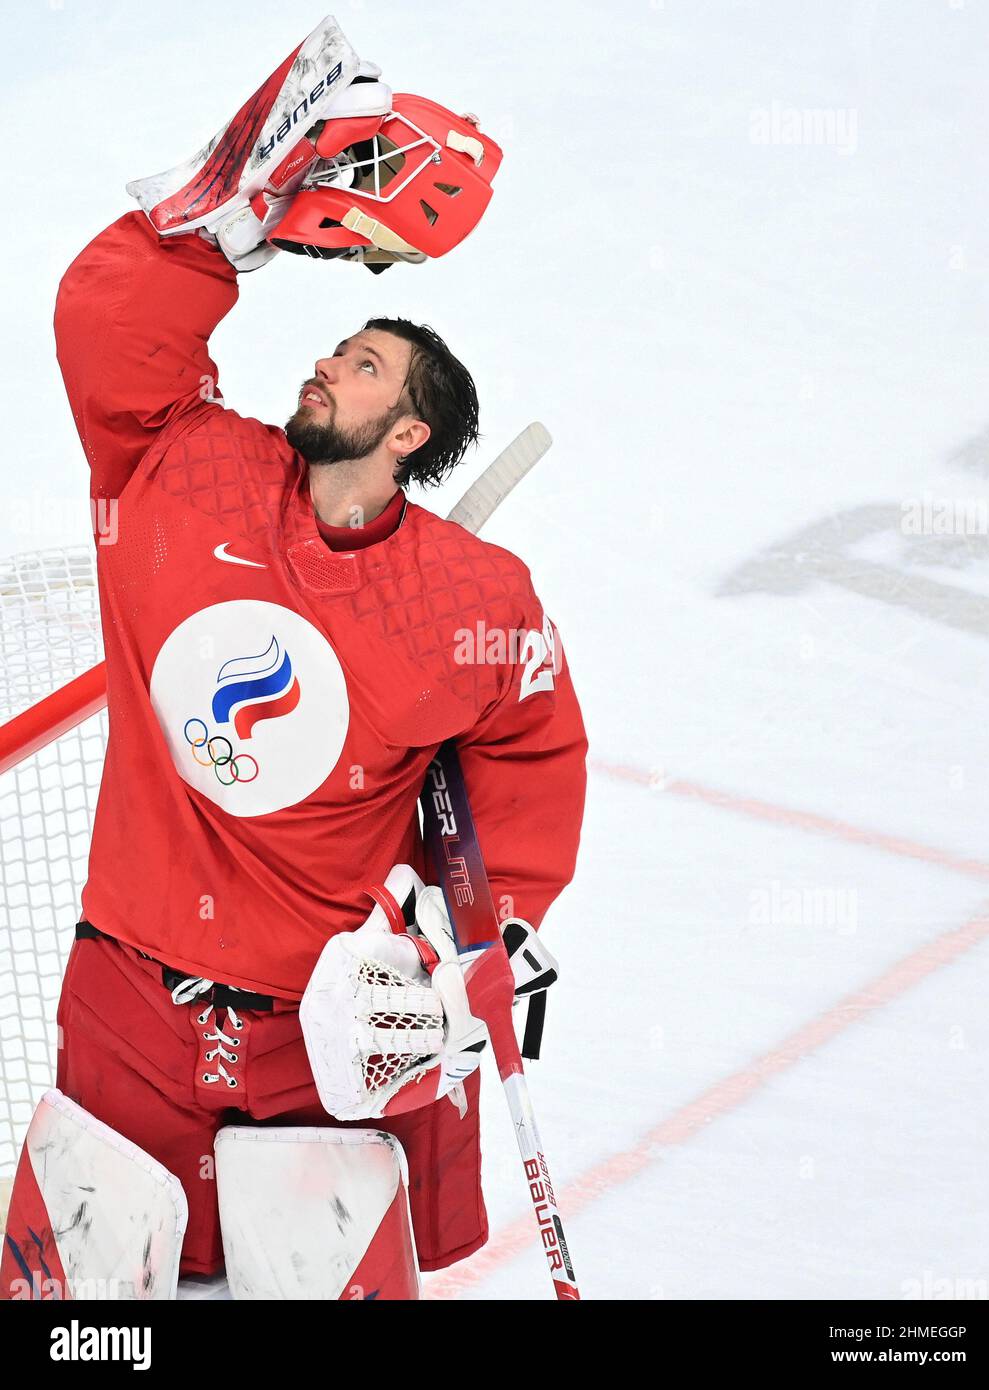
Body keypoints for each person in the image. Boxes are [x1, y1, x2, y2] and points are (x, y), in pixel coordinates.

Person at [3, 16, 586, 1298]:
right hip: (125, 1009)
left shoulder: (470, 597)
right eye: (334, 346)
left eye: (362, 363)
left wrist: (487, 934)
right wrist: (220, 229)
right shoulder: (188, 471)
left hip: (317, 1044)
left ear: (410, 427)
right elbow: (109, 339)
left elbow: (531, 750)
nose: (325, 363)